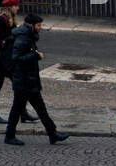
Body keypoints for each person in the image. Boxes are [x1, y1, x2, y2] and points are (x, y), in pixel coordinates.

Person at [4, 13, 69, 146]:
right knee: (17, 109)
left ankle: (53, 134)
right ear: (31, 25)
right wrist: (34, 55)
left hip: (29, 80)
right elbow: (17, 58)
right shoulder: (22, 38)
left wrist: (34, 55)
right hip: (23, 80)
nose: (40, 28)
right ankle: (9, 136)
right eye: (39, 25)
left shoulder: (28, 36)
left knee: (41, 108)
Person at [0, 0, 35, 126]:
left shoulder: (11, 20)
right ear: (10, 7)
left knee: (19, 86)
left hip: (8, 60)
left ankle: (22, 113)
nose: (18, 8)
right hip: (1, 62)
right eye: (16, 6)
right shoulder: (0, 21)